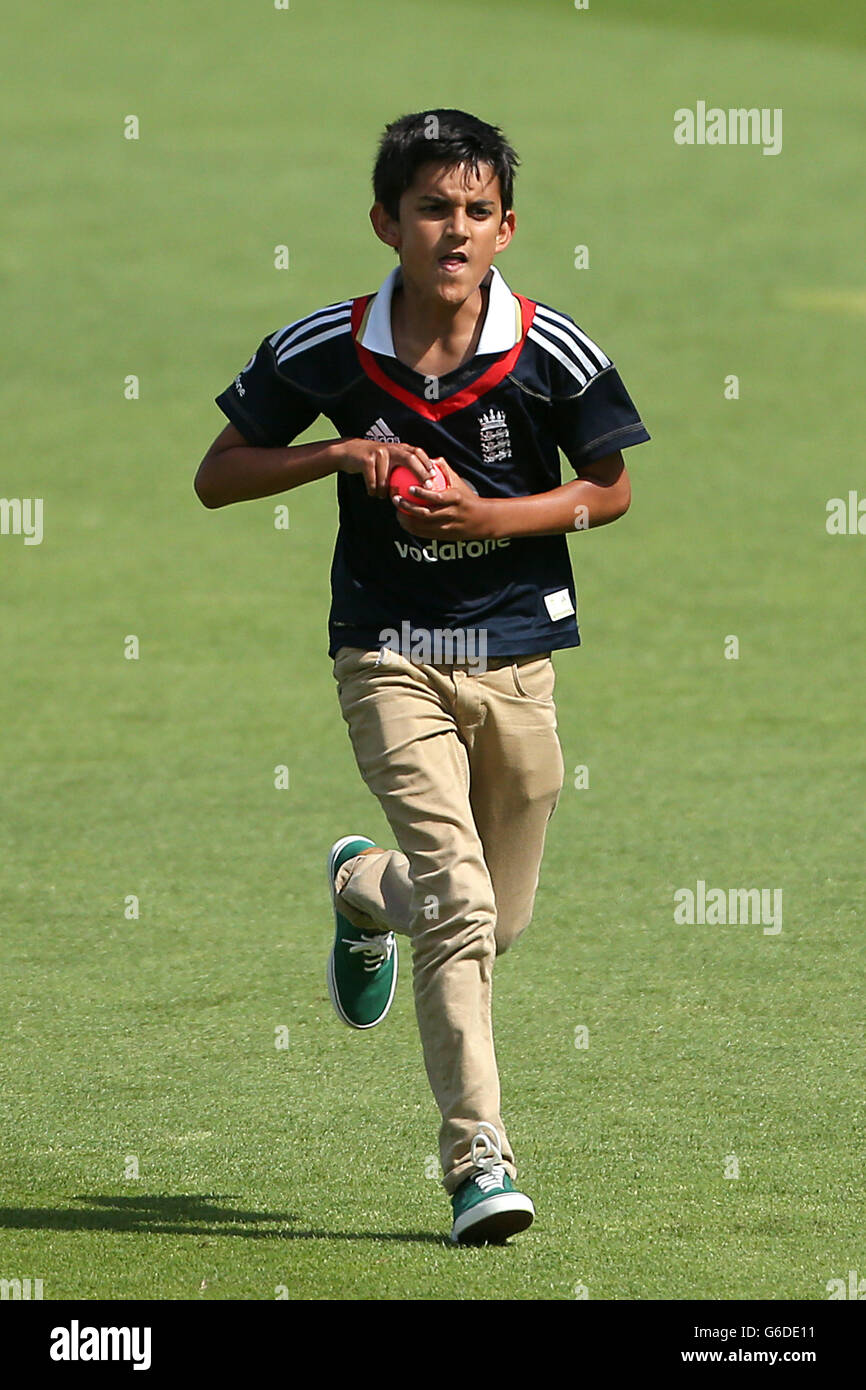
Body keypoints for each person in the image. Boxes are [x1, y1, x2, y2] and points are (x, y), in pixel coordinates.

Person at [195, 108, 650, 1244]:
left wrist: (490, 514)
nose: (454, 229)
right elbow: (217, 474)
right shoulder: (324, 347)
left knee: (496, 918)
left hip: (516, 653)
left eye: (475, 210)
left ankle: (362, 891)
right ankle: (477, 1162)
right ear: (384, 222)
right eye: (431, 208)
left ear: (507, 227)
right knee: (459, 902)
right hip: (389, 650)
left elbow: (608, 487)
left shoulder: (551, 350)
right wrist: (341, 452)